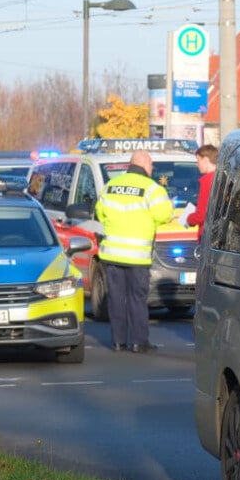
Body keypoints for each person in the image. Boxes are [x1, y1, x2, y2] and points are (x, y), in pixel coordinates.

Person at [94, 149, 174, 353]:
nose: (153, 168)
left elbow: (100, 214)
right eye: (152, 164)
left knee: (116, 298)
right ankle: (139, 342)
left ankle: (118, 341)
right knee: (137, 298)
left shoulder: (110, 186)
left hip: (112, 254)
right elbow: (164, 215)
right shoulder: (151, 189)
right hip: (137, 256)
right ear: (146, 164)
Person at [180, 144, 218, 232]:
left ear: (205, 160)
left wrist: (188, 218)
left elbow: (201, 215)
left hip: (206, 233)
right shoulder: (222, 177)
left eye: (198, 161)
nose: (197, 165)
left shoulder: (207, 181)